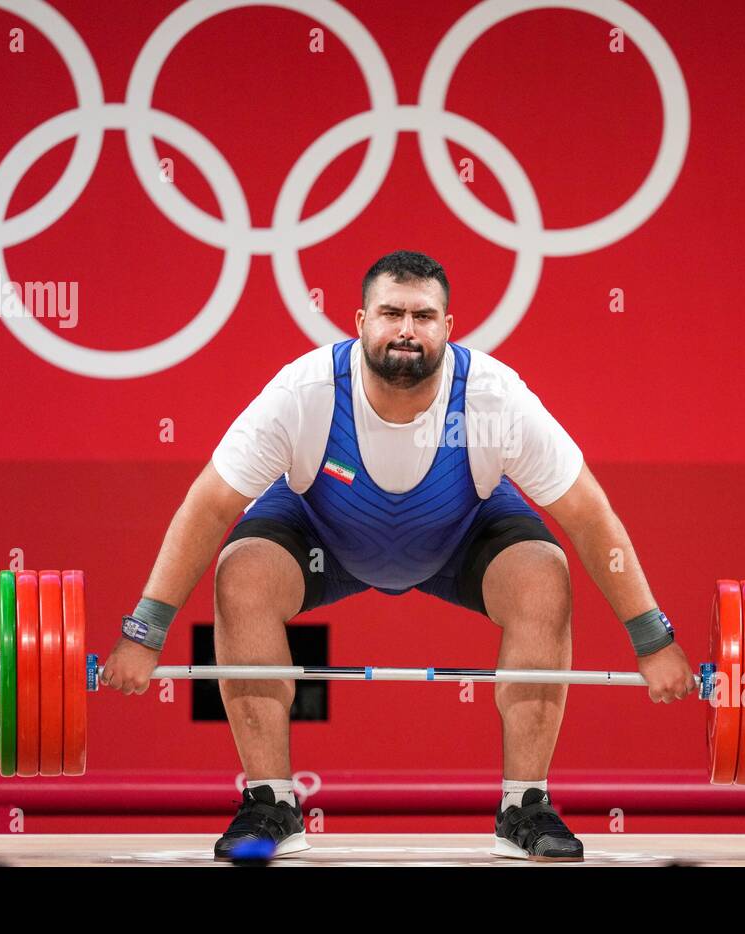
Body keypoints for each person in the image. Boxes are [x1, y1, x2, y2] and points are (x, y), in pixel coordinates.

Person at [99, 250, 696, 862]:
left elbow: (590, 517)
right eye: (390, 313)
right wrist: (145, 632)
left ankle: (526, 806)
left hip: (463, 535)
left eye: (423, 316)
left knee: (544, 575)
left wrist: (653, 639)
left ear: (448, 327)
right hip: (322, 536)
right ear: (359, 321)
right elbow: (208, 507)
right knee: (243, 569)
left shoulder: (494, 398)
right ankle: (270, 802)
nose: (407, 330)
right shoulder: (304, 392)